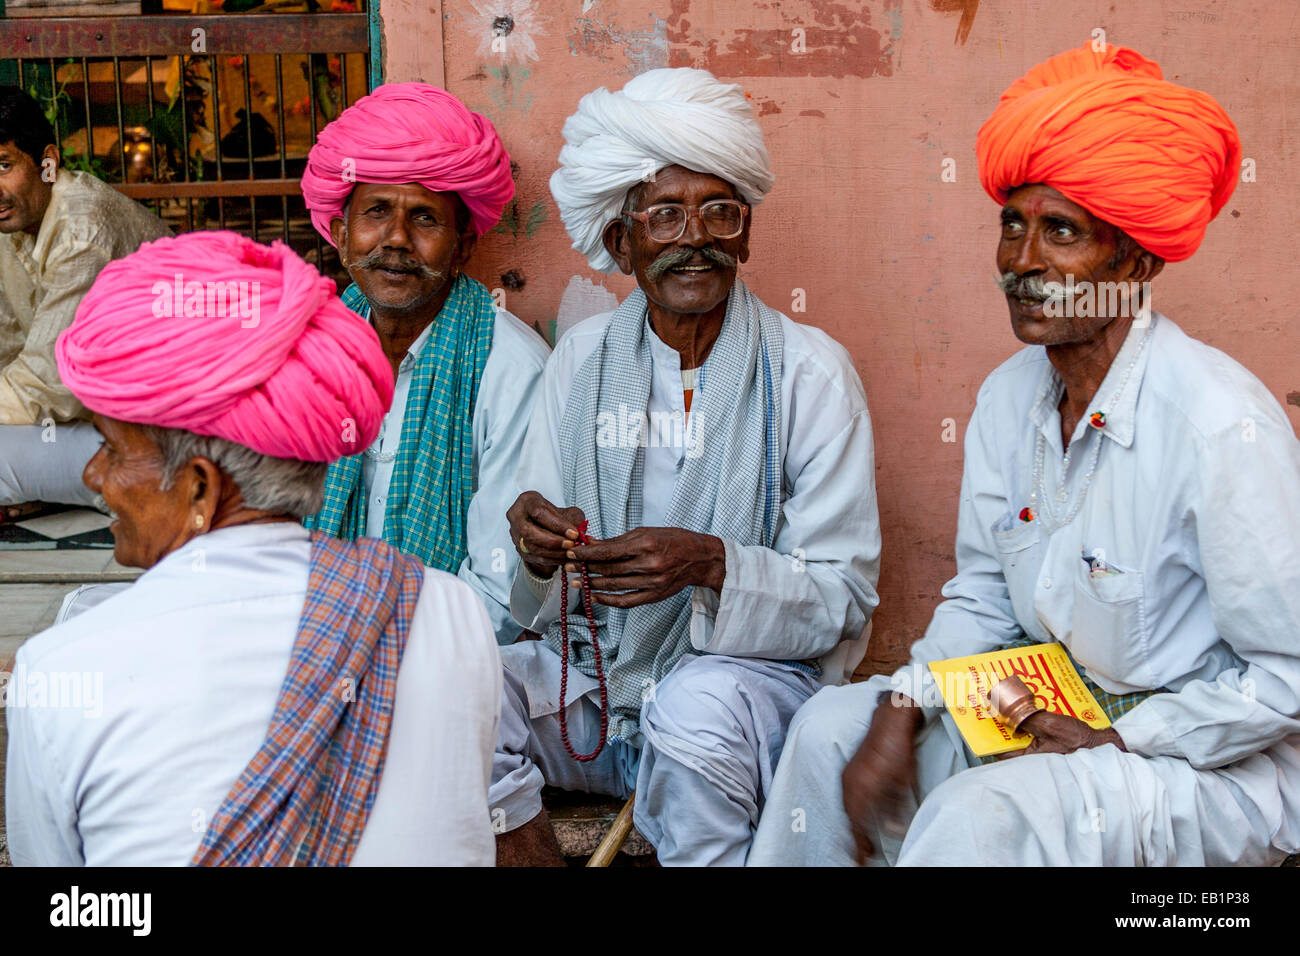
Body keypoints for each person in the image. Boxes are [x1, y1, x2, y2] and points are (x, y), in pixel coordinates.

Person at [749, 43, 1300, 867]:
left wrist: (1119, 734)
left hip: (1200, 761)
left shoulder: (1220, 425)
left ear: (1137, 259)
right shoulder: (1011, 397)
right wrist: (903, 704)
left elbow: (1288, 674)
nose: (1023, 263)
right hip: (1049, 710)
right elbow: (985, 599)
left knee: (987, 815)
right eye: (1014, 225)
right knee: (833, 731)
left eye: (1063, 233)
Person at [4, 231, 501, 866]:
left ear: (201, 488)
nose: (93, 477)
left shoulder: (61, 671)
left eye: (112, 448)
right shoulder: (447, 610)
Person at [494, 68, 882, 866]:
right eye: (664, 215)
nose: (693, 237)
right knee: (460, 689)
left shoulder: (811, 373)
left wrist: (712, 565)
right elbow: (537, 591)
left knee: (696, 703)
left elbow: (843, 599)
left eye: (718, 212)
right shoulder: (580, 362)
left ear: (745, 235)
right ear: (619, 240)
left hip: (746, 699)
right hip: (597, 690)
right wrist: (537, 554)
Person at [299, 82, 550, 644]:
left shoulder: (511, 370)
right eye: (377, 213)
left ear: (463, 245)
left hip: (449, 648)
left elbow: (499, 586)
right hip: (314, 624)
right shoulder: (310, 353)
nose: (396, 240)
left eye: (425, 220)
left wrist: (384, 654)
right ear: (341, 236)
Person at [0, 86, 169, 517]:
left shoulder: (83, 229)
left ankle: (120, 491)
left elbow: (48, 385)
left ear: (48, 163)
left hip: (160, 438)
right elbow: (10, 350)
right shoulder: (15, 222)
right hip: (91, 427)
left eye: (4, 165)